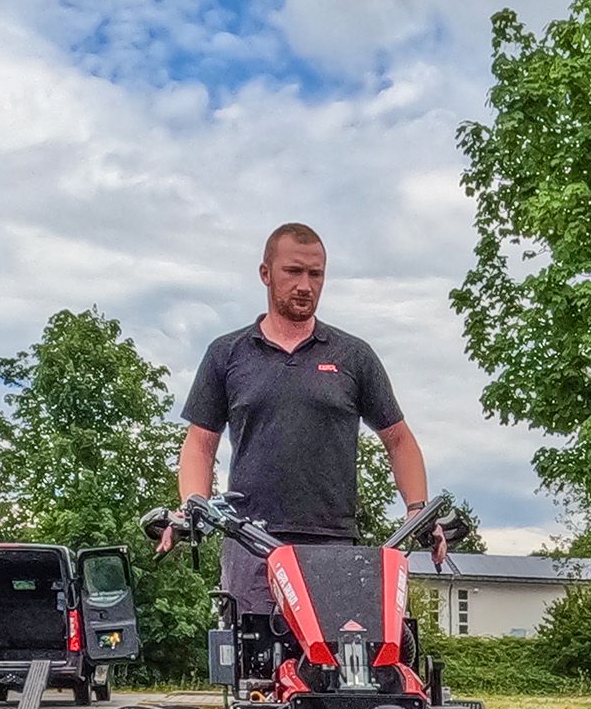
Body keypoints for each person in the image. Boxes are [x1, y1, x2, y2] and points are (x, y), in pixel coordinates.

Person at [167, 222, 445, 614]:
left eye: (315, 275)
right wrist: (191, 507)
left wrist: (417, 509)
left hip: (332, 543)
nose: (305, 285)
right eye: (293, 271)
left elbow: (399, 440)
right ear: (266, 274)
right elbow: (200, 444)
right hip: (250, 542)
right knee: (255, 667)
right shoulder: (227, 354)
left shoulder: (353, 356)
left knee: (341, 665)